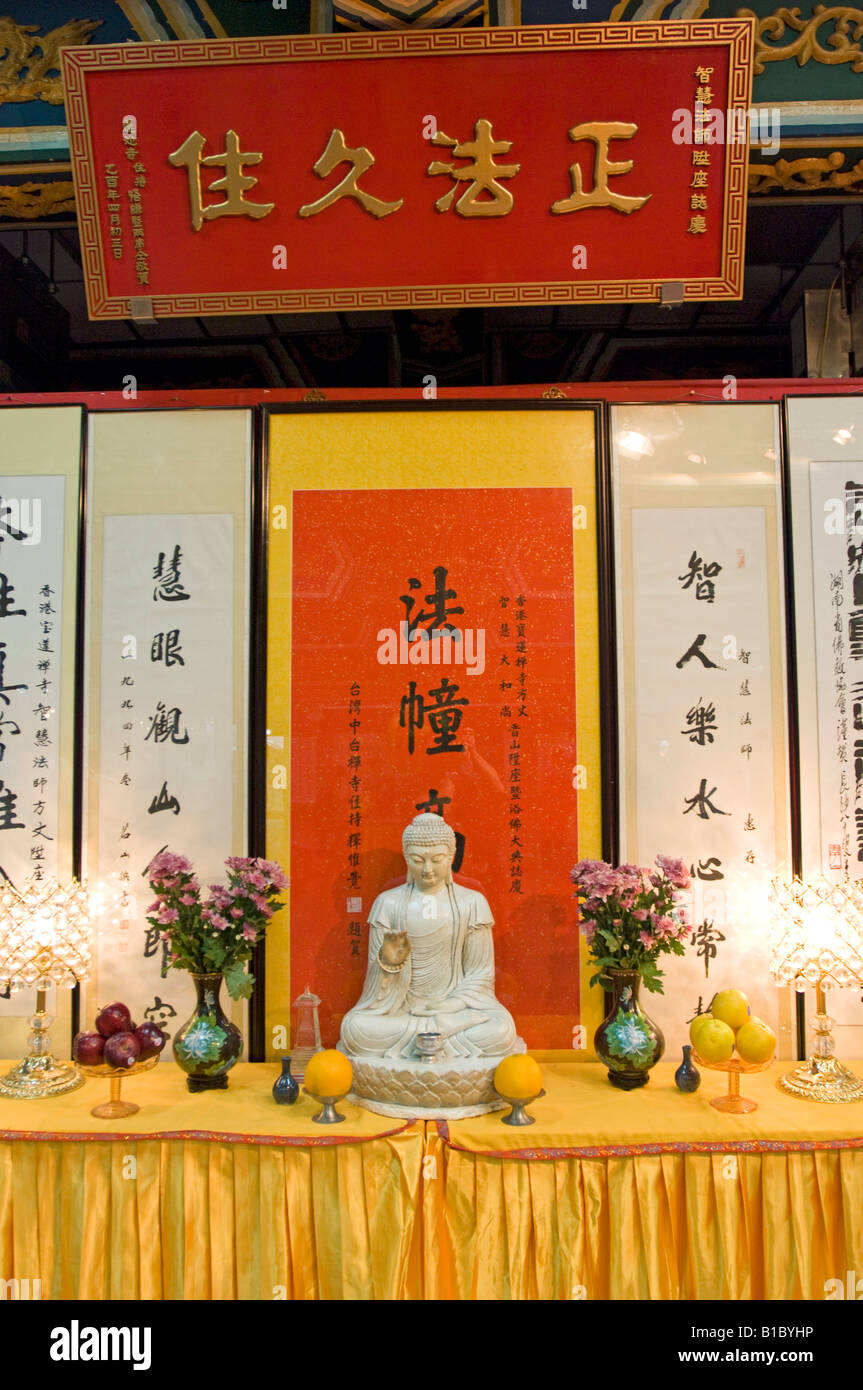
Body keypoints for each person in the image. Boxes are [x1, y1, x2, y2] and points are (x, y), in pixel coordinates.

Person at [339, 812, 518, 1061]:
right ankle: (440, 1033)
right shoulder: (388, 903)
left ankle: (441, 1030)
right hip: (402, 1010)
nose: (427, 870)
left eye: (437, 859)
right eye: (417, 860)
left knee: (500, 1031)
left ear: (451, 857)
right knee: (356, 1028)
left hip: (455, 1008)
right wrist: (391, 963)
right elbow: (377, 988)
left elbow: (481, 973)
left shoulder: (472, 903)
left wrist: (452, 1004)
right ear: (406, 858)